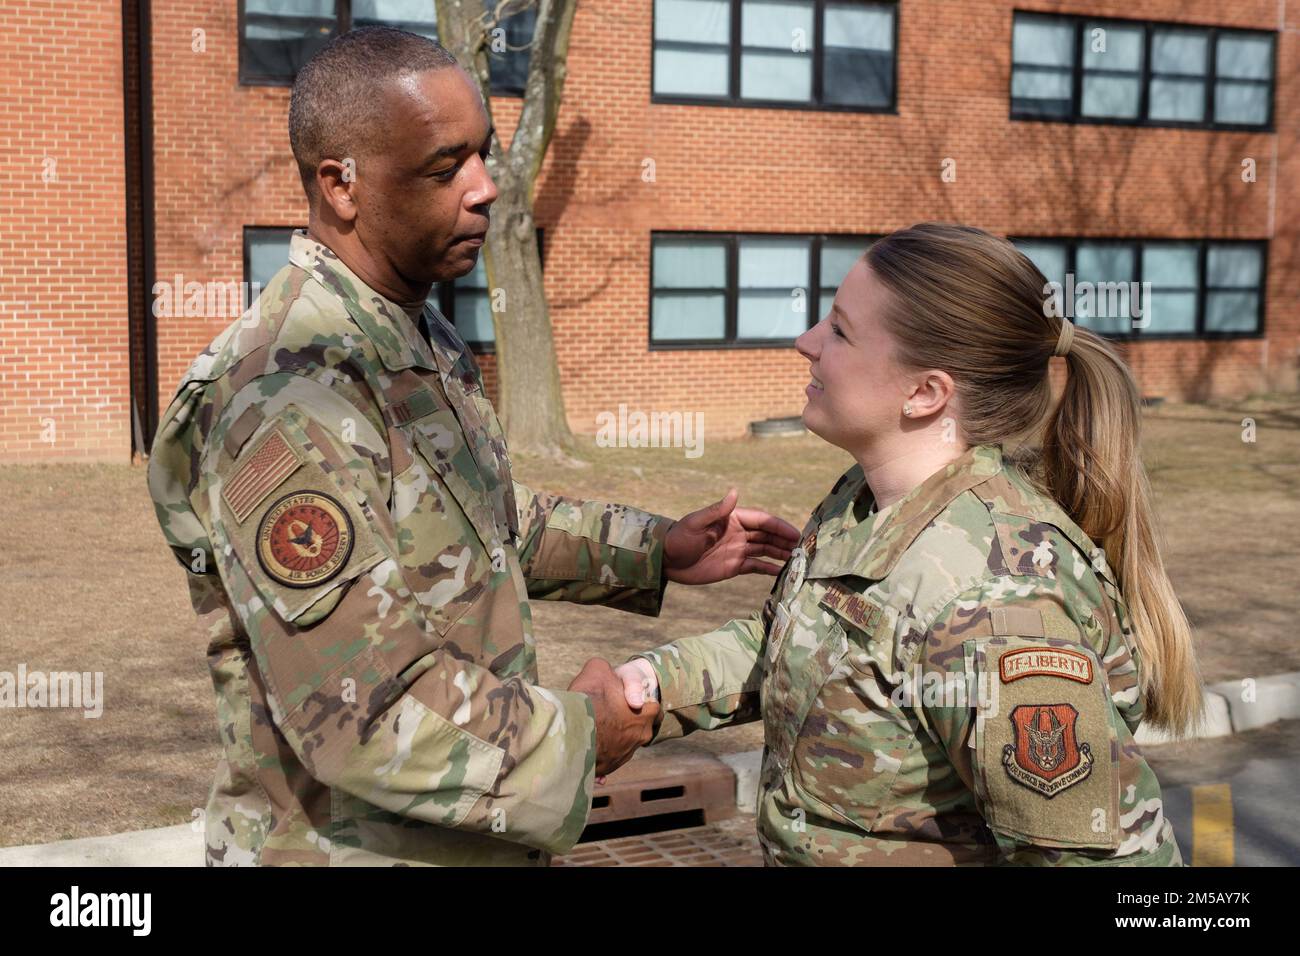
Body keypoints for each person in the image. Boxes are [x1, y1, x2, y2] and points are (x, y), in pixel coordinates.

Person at [146, 27, 798, 867]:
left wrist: (653, 551)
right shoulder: (286, 392)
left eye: (484, 155)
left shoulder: (414, 334)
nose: (486, 188)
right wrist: (581, 736)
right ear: (341, 185)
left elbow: (475, 525)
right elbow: (366, 712)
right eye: (444, 166)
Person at [602, 223, 1201, 866]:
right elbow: (802, 645)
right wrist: (651, 684)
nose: (805, 343)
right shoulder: (864, 502)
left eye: (838, 330)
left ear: (925, 393)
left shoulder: (994, 602)